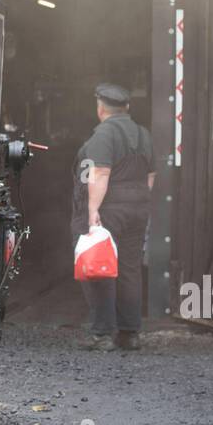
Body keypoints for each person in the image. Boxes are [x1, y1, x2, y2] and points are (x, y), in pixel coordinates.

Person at [71, 84, 155, 352]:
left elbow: (101, 173)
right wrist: (136, 199)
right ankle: (130, 334)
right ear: (127, 107)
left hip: (109, 209)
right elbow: (151, 176)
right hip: (138, 207)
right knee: (130, 268)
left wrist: (93, 209)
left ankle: (103, 334)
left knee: (100, 267)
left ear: (100, 108)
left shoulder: (104, 135)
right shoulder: (143, 134)